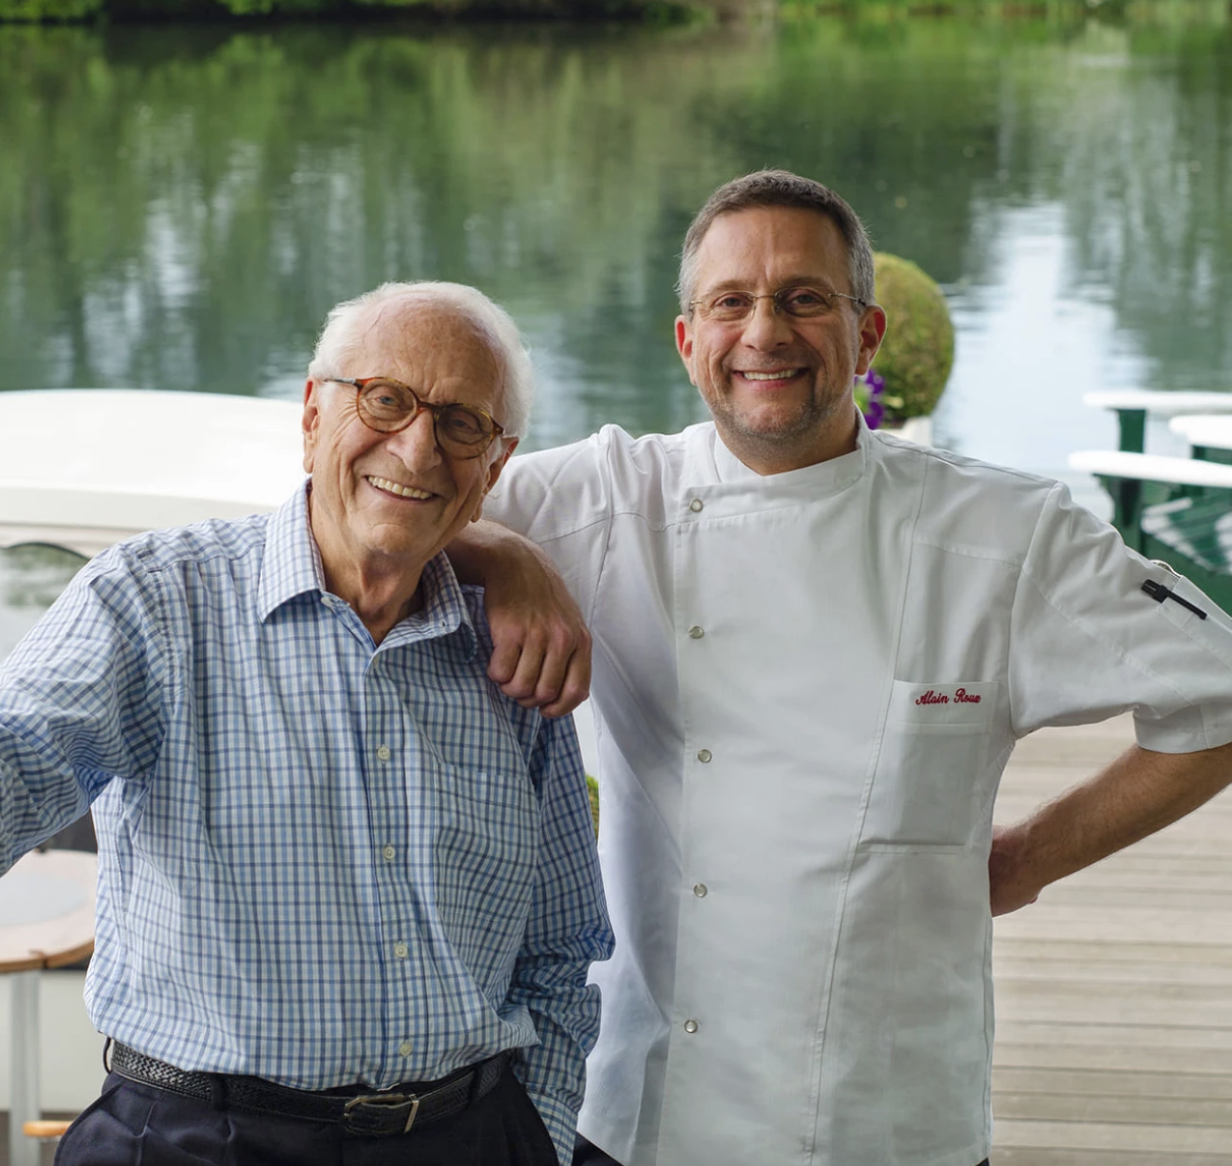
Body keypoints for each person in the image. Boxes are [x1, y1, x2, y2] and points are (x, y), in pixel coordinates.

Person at [450, 171, 1232, 1166]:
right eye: (730, 301)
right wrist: (505, 554)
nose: (764, 331)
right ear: (688, 342)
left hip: (890, 1113)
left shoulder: (1003, 534)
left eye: (803, 298)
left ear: (864, 335)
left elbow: (1219, 689)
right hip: (642, 1110)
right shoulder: (607, 496)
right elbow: (386, 514)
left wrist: (1028, 855)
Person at [0, 282, 612, 1166]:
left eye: (462, 423)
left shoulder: (511, 658)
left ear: (494, 466)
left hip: (467, 1138)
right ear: (313, 415)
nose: (418, 446)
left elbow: (559, 951)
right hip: (199, 1140)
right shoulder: (156, 604)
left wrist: (532, 1135)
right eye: (385, 399)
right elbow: (7, 766)